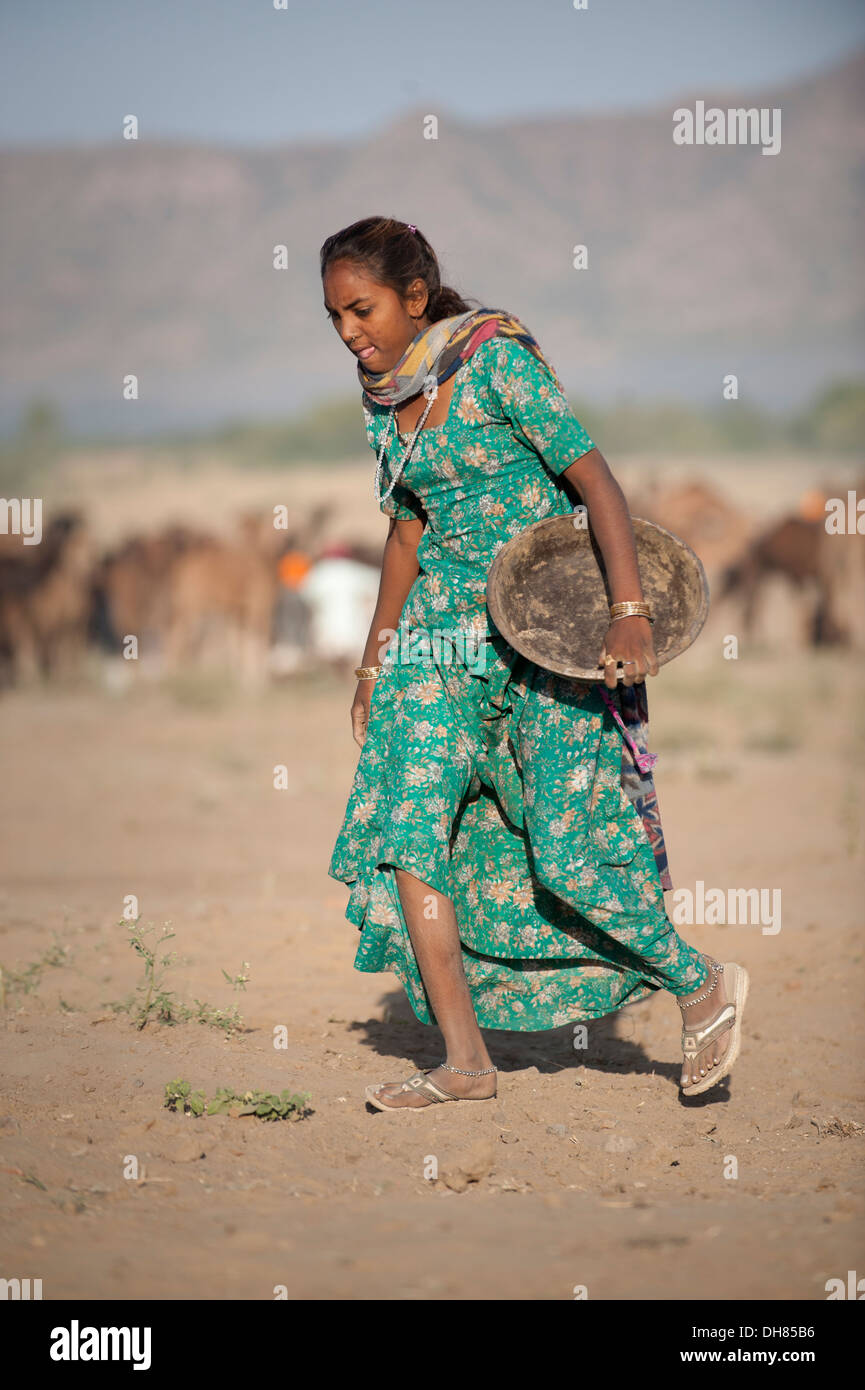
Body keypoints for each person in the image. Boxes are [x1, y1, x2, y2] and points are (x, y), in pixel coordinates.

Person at [322, 215, 749, 1110]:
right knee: (409, 832)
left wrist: (628, 615)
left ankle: (700, 983)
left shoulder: (495, 363)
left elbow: (596, 483)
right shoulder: (381, 405)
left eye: (360, 310)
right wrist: (372, 663)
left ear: (411, 296)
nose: (350, 331)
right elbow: (406, 534)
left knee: (564, 854)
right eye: (334, 318)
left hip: (545, 636)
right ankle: (466, 1062)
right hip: (435, 643)